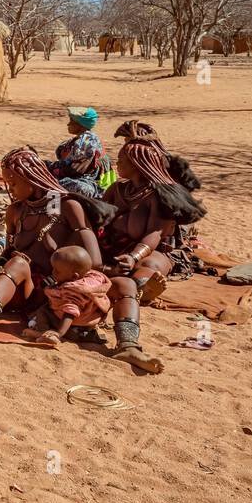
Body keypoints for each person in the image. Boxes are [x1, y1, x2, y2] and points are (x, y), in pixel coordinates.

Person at [0, 147, 108, 349]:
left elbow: (94, 261)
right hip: (20, 288)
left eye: (13, 183)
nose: (10, 190)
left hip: (53, 296)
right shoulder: (16, 211)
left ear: (32, 179)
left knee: (18, 263)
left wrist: (57, 259)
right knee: (17, 263)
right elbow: (8, 251)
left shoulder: (65, 206)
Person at [98, 138, 207, 373]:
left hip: (152, 250)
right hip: (115, 249)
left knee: (149, 265)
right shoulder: (116, 189)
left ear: (137, 164)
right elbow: (98, 219)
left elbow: (155, 234)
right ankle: (136, 290)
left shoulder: (159, 196)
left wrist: (134, 256)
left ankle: (141, 288)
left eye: (121, 160)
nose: (116, 163)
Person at [22, 245, 112, 348]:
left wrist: (59, 333)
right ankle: (88, 335)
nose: (52, 272)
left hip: (69, 324)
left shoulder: (74, 290)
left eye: (57, 271)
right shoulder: (93, 279)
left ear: (74, 276)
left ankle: (43, 332)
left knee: (43, 311)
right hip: (85, 323)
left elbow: (70, 312)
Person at [48, 106, 112, 198]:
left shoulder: (87, 142)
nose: (68, 124)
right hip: (74, 178)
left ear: (80, 125)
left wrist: (51, 169)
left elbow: (74, 171)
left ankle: (53, 211)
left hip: (90, 184)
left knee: (52, 185)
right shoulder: (76, 140)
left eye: (71, 121)